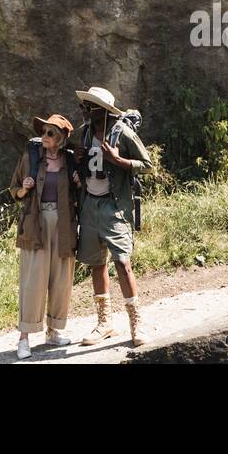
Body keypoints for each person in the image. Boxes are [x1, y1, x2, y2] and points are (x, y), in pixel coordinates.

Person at [70, 86, 153, 347]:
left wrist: (119, 161)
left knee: (122, 263)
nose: (84, 110)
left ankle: (135, 323)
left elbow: (148, 165)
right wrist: (78, 159)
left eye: (89, 106)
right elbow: (80, 167)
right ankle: (104, 323)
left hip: (114, 206)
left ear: (103, 111)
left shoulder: (122, 133)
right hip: (89, 205)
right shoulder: (84, 134)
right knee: (97, 263)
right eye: (84, 105)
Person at [10, 114, 79, 359]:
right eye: (44, 131)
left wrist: (79, 183)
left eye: (51, 133)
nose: (45, 136)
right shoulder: (30, 158)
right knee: (32, 283)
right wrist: (24, 188)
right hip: (36, 225)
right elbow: (14, 190)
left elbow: (80, 196)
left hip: (64, 226)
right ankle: (24, 338)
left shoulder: (70, 162)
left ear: (60, 139)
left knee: (60, 280)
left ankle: (53, 331)